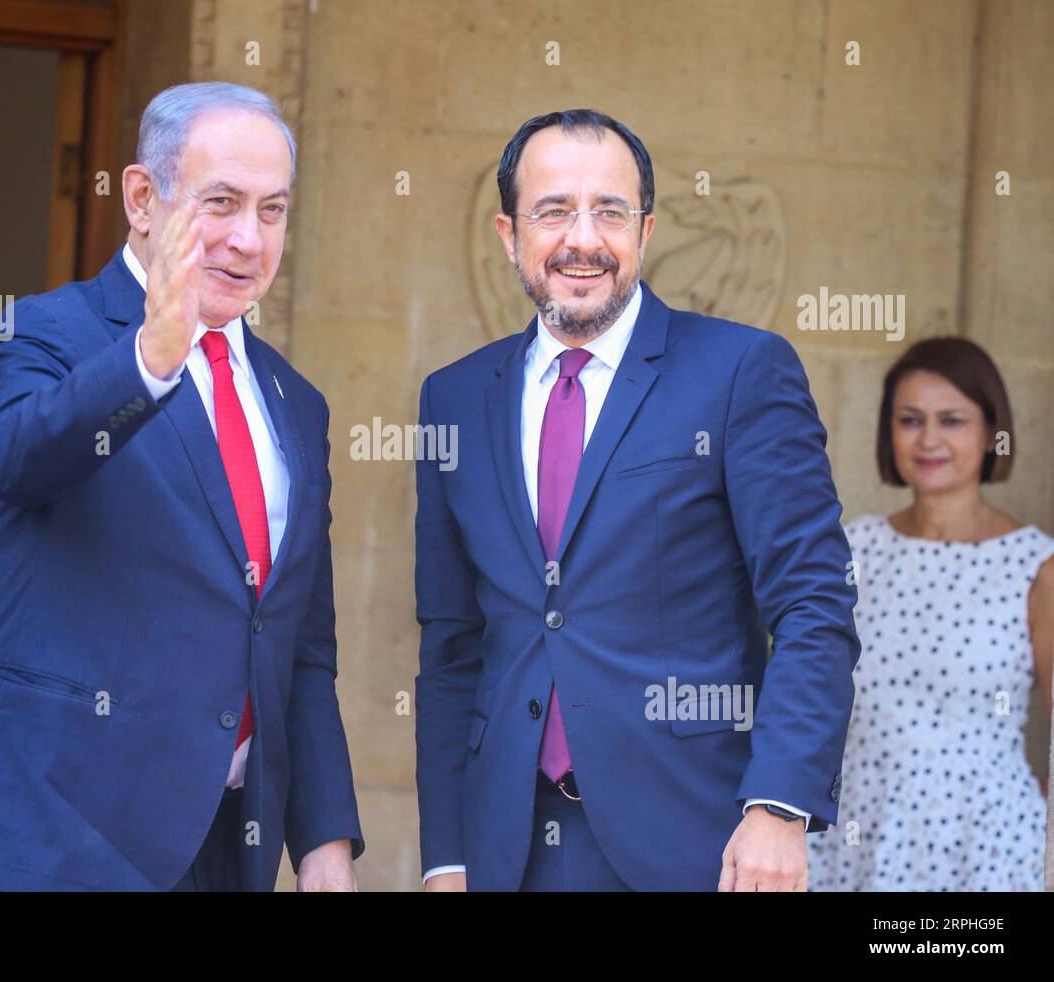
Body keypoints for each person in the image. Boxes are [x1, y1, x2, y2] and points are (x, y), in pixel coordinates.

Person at [0, 82, 363, 891]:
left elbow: (300, 649)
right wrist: (153, 358)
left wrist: (323, 843)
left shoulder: (299, 403)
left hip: (224, 852)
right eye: (221, 203)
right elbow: (19, 458)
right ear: (143, 199)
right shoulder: (47, 333)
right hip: (55, 838)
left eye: (273, 210)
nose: (249, 240)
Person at [413, 109, 860, 891]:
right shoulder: (452, 398)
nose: (582, 239)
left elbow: (814, 604)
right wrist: (447, 857)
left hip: (696, 842)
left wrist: (779, 806)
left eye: (610, 212)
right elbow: (452, 646)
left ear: (646, 230)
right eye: (553, 211)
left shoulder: (740, 372)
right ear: (509, 234)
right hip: (503, 849)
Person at [807, 337, 1054, 891]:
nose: (930, 439)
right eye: (911, 420)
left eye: (953, 420)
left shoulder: (1036, 567)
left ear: (993, 432)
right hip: (852, 836)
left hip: (987, 848)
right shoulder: (851, 550)